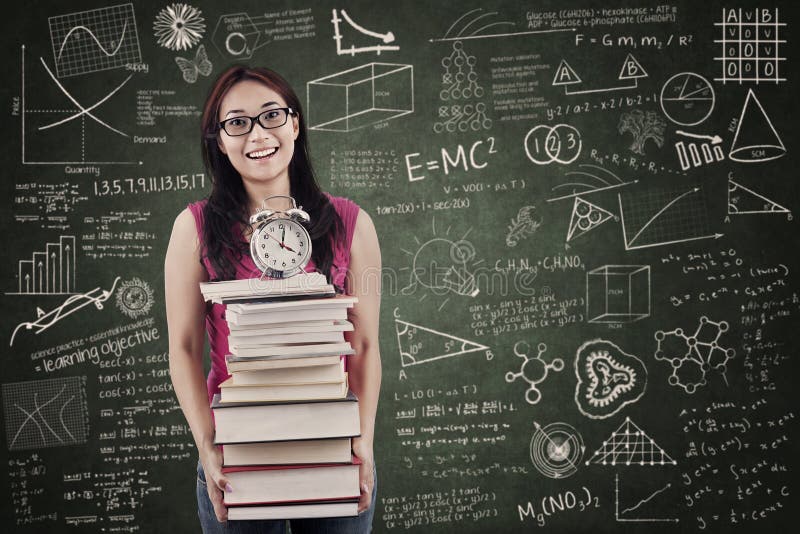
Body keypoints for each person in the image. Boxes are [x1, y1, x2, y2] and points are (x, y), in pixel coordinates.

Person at [164, 65, 382, 533]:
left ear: (295, 124)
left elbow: (364, 347)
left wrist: (363, 440)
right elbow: (183, 348)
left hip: (333, 444)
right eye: (237, 122)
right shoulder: (194, 228)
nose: (257, 134)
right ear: (219, 141)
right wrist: (208, 446)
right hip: (236, 448)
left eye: (271, 116)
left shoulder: (352, 224)